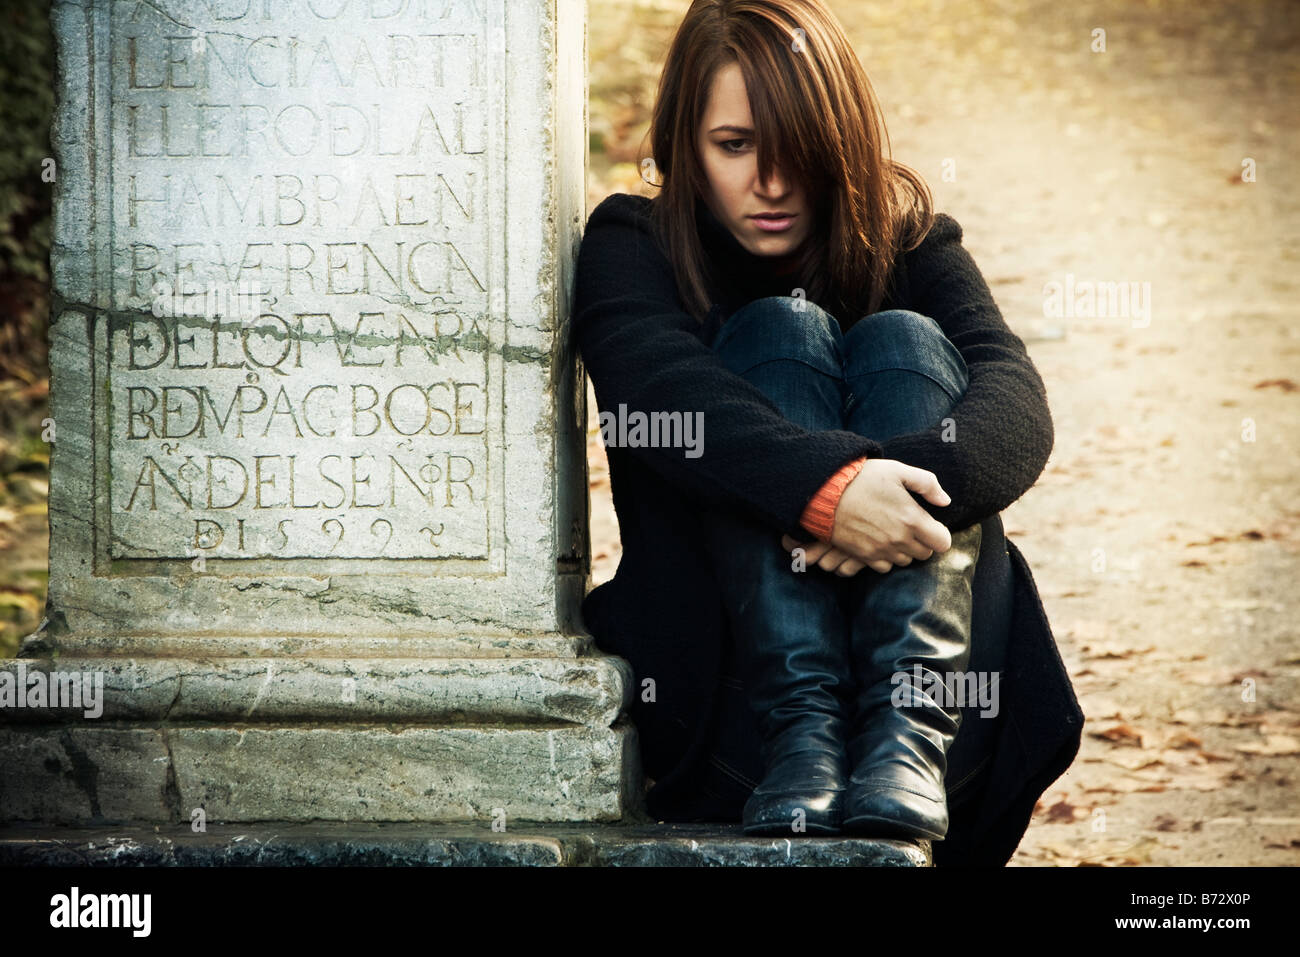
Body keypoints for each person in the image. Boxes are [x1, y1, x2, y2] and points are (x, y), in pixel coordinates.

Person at [572, 0, 1082, 866]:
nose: (769, 182)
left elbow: (1015, 406)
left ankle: (902, 732)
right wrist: (830, 496)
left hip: (945, 729)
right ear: (685, 143)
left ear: (839, 140)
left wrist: (884, 492)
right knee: (779, 332)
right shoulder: (633, 245)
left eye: (796, 148)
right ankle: (805, 722)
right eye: (733, 145)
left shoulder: (909, 240)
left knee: (906, 339)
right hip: (742, 733)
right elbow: (664, 391)